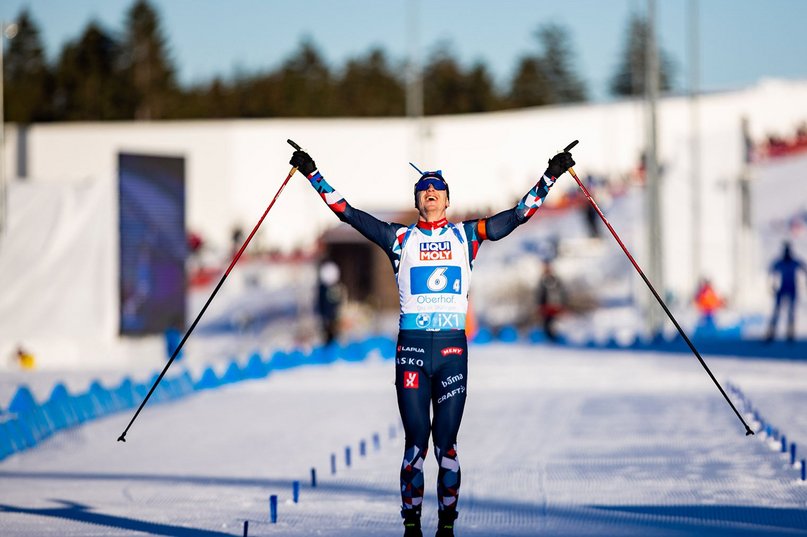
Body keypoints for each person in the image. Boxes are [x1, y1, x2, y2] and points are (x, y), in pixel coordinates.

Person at [290, 145, 574, 537]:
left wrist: (550, 175)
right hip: (411, 351)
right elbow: (348, 214)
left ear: (447, 199)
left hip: (451, 352)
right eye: (424, 189)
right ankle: (410, 525)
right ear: (418, 201)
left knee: (447, 446)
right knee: (415, 445)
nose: (430, 193)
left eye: (437, 189)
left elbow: (516, 216)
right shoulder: (398, 238)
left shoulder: (465, 235)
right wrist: (312, 173)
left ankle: (446, 526)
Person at [766, 242, 807, 342]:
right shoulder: (780, 262)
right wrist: (772, 285)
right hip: (782, 289)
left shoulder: (794, 262)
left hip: (792, 289)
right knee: (776, 312)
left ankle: (790, 333)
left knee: (791, 312)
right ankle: (771, 333)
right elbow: (771, 273)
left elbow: (804, 269)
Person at [536, 260, 567, 342]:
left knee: (553, 324)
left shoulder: (552, 279)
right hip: (547, 307)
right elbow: (541, 294)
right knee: (547, 324)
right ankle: (551, 340)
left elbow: (560, 292)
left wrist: (562, 304)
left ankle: (554, 339)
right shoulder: (543, 279)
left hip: (553, 306)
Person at [316, 259, 344, 344]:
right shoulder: (323, 289)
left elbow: (337, 301)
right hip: (326, 315)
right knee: (327, 332)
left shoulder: (334, 288)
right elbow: (321, 302)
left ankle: (332, 344)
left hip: (332, 315)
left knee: (333, 332)